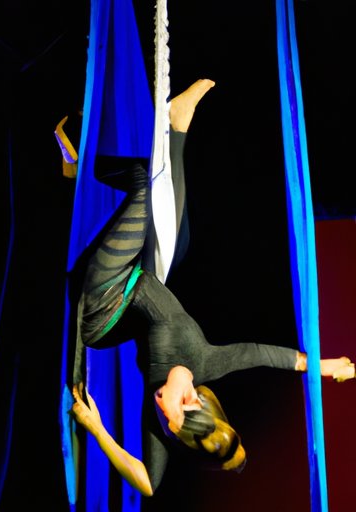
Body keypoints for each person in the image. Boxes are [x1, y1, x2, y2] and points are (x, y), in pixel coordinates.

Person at [55, 78, 355, 497]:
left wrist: (97, 427)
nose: (161, 409)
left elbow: (149, 484)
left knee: (146, 188)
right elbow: (266, 355)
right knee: (179, 232)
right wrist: (325, 367)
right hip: (142, 278)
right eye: (174, 412)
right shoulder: (209, 362)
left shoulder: (162, 406)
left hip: (104, 303)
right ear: (195, 400)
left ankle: (79, 163)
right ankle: (176, 126)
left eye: (166, 424)